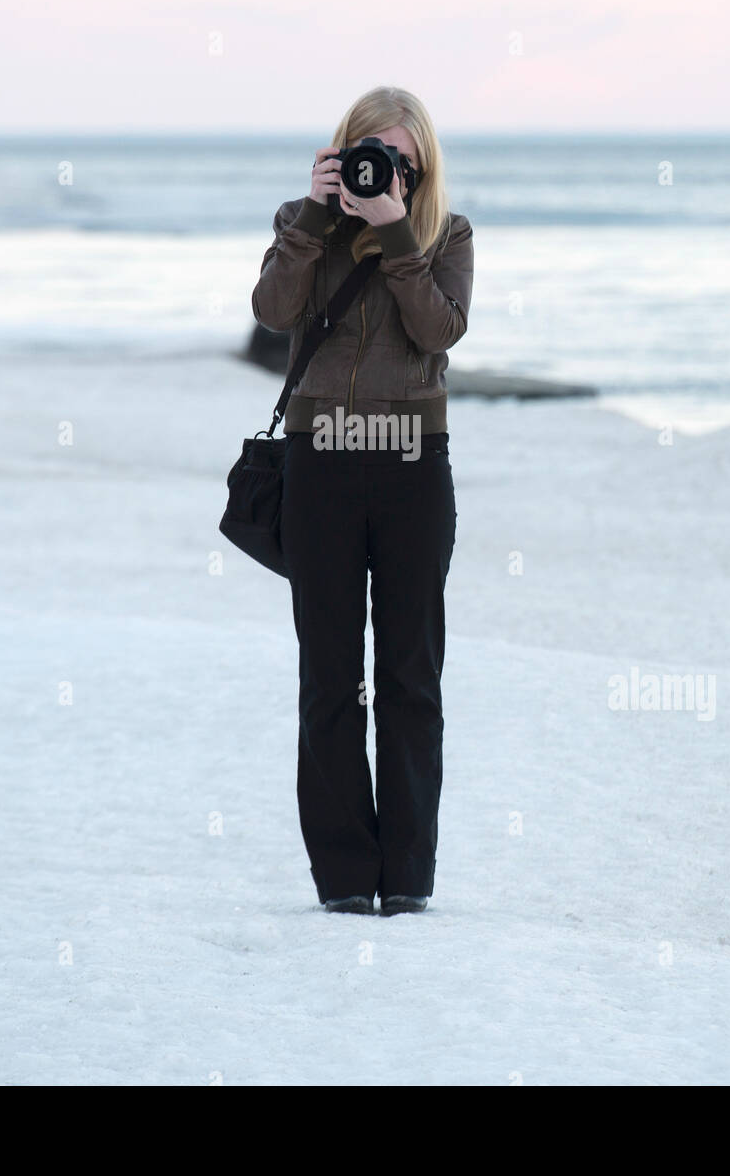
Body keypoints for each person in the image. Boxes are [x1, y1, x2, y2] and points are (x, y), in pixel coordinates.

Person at [251, 86, 474, 915]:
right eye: (374, 157)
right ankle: (345, 879)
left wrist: (394, 231)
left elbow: (439, 332)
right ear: (340, 154)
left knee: (412, 677)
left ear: (422, 171)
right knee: (330, 679)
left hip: (415, 464)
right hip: (322, 466)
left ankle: (409, 880)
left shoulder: (445, 236)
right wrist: (314, 221)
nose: (390, 176)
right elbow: (272, 311)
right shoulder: (301, 224)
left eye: (406, 166)